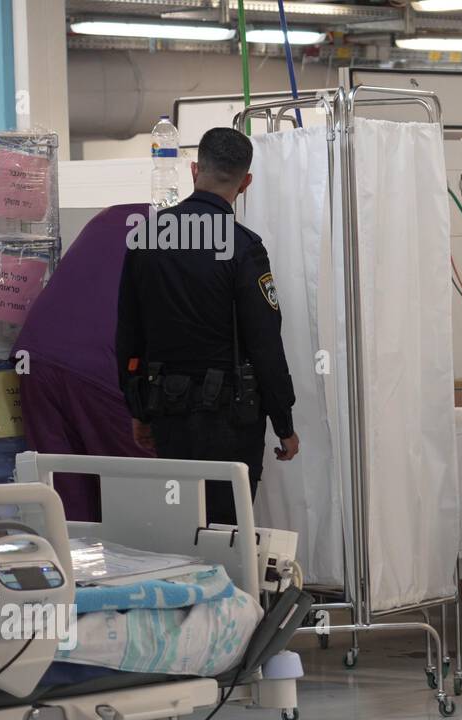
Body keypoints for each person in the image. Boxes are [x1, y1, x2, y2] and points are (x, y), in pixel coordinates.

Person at [116, 127, 298, 526]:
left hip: (167, 411)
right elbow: (265, 342)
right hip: (231, 421)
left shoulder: (147, 236)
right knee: (225, 530)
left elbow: (128, 334)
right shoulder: (243, 245)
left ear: (195, 169)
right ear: (246, 182)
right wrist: (283, 422)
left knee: (180, 525)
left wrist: (139, 410)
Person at [18, 204, 157, 521]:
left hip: (34, 356)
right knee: (149, 495)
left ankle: (69, 568)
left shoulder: (109, 220)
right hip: (97, 365)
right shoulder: (183, 239)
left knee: (62, 498)